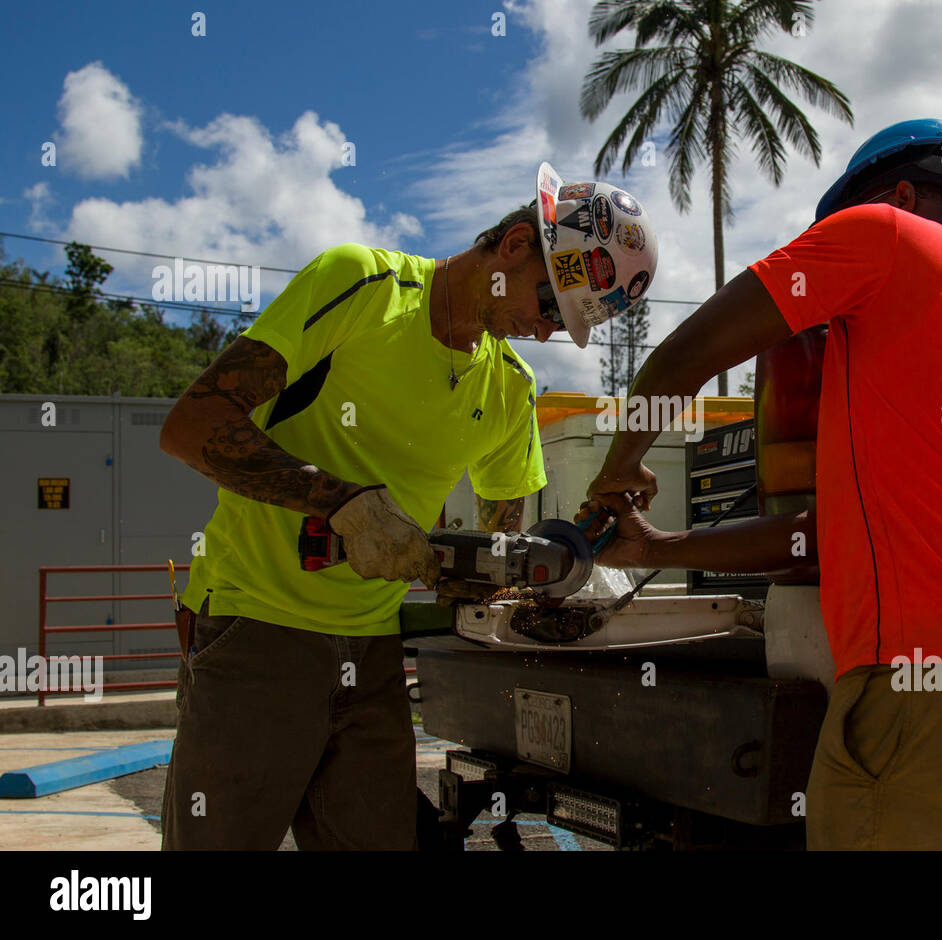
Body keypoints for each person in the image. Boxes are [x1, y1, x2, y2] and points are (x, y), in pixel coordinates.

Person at [580, 119, 942, 850]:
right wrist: (655, 547)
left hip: (937, 690)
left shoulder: (882, 233)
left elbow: (687, 351)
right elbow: (816, 537)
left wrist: (619, 466)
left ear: (899, 195)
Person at [158, 162, 657, 849]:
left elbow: (500, 540)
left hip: (372, 657)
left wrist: (556, 543)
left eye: (562, 324)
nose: (544, 332)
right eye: (548, 306)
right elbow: (190, 426)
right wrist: (340, 502)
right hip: (255, 629)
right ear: (514, 245)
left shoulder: (509, 387)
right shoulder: (362, 286)